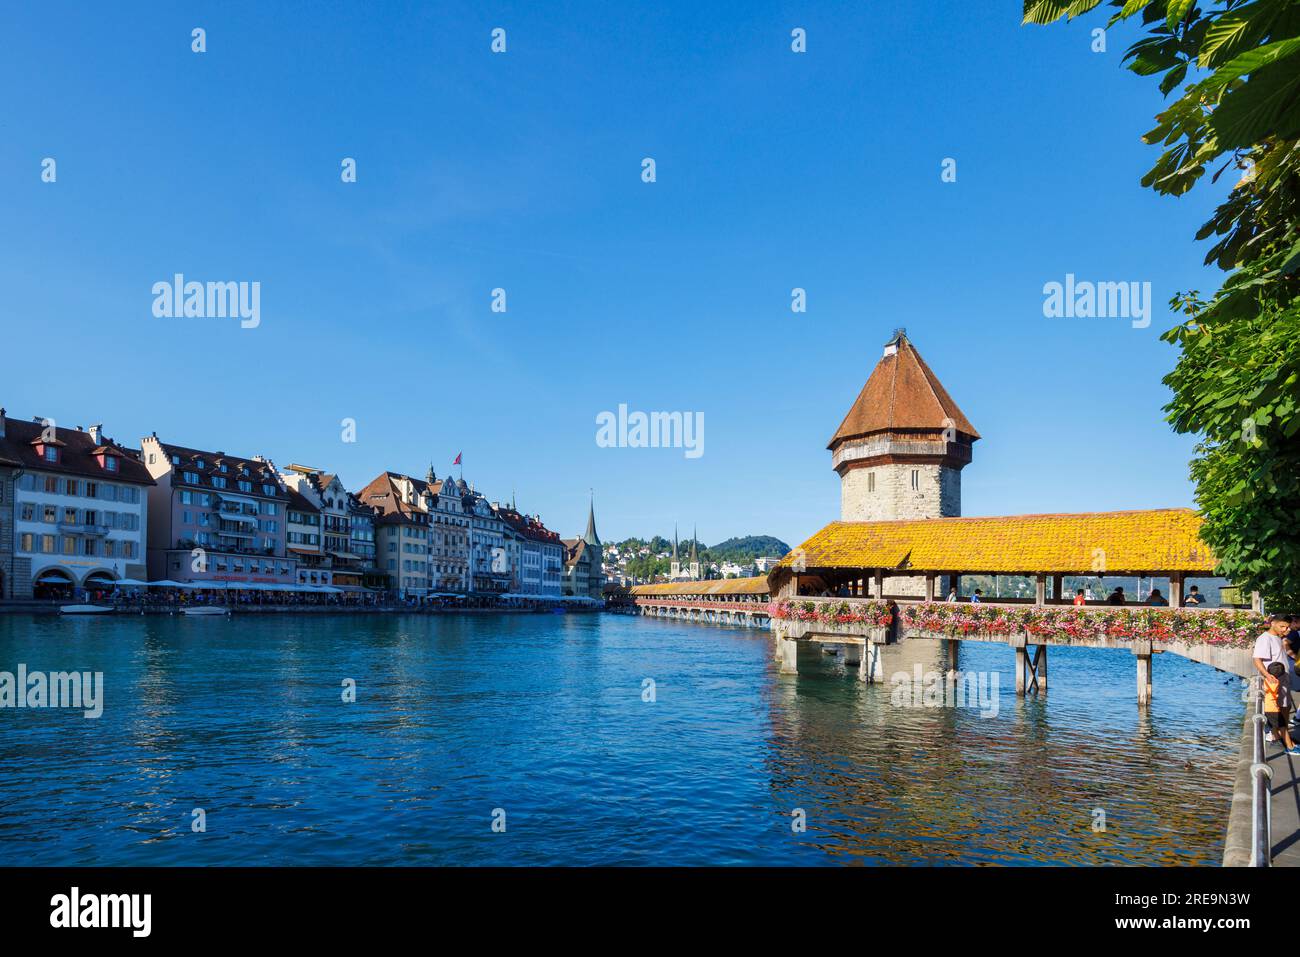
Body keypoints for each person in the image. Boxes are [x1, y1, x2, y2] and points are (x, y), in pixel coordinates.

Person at [1255, 614, 1295, 744]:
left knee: (1285, 707)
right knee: (1279, 708)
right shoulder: (1265, 639)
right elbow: (1257, 659)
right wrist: (1267, 675)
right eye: (1282, 626)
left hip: (1283, 679)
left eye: (1287, 627)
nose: (1285, 629)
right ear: (1272, 623)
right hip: (1274, 681)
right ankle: (1281, 737)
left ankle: (1281, 735)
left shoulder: (1277, 637)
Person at [1264, 662, 1300, 753]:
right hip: (1273, 709)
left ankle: (1277, 740)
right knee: (1283, 727)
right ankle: (1290, 748)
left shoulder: (1266, 681)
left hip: (1268, 708)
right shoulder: (1275, 682)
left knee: (1275, 725)